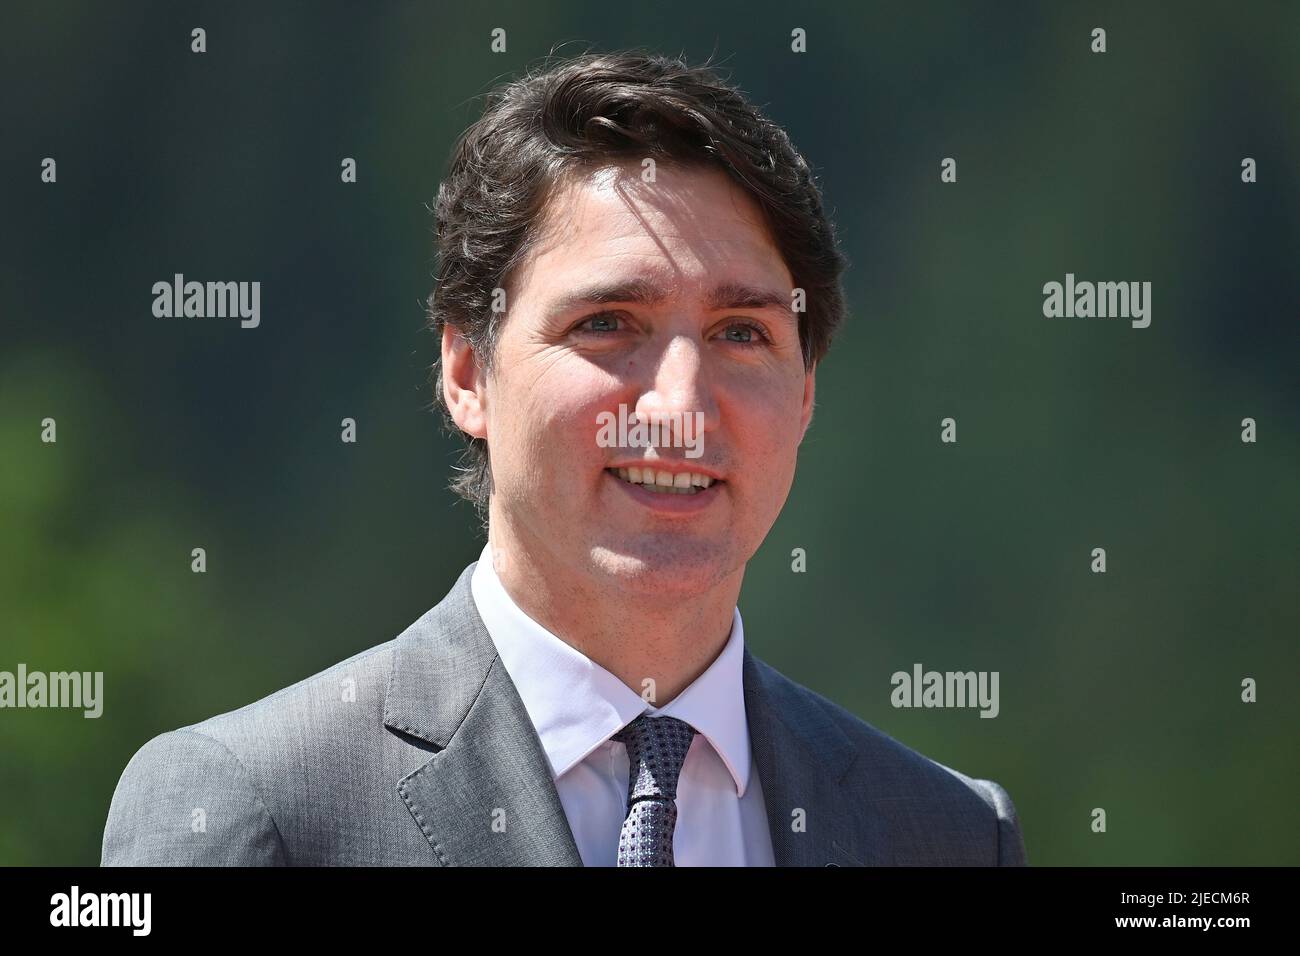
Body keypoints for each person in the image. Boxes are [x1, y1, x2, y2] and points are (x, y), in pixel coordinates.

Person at [102, 49, 1027, 866]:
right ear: (468, 371)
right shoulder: (256, 807)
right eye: (607, 324)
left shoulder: (945, 834)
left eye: (742, 333)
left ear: (808, 392)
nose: (678, 407)